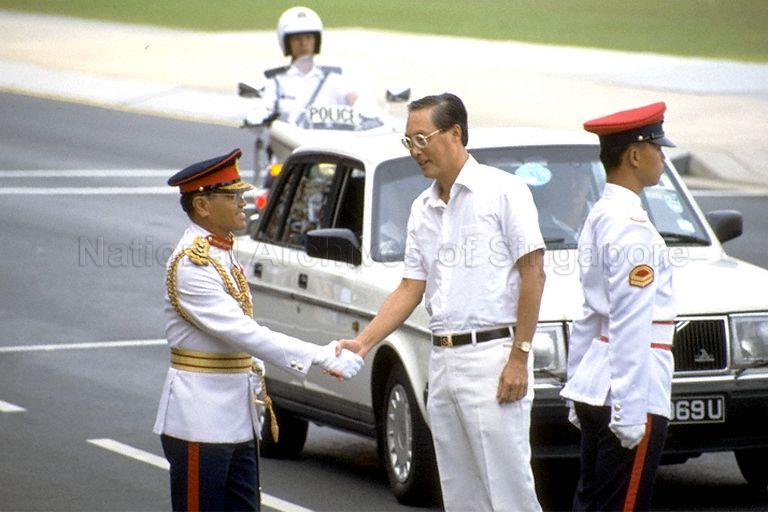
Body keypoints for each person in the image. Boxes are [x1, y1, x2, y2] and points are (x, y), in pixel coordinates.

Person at [337, 93, 546, 511]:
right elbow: (410, 288)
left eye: (421, 139)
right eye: (408, 142)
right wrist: (364, 342)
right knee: (459, 493)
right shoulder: (423, 208)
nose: (415, 152)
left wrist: (519, 357)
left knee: (509, 491)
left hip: (493, 359)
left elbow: (533, 274)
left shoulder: (504, 192)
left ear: (455, 134)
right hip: (443, 362)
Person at [154, 148, 363, 511]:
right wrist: (319, 355)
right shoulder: (192, 263)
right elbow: (244, 332)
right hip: (199, 421)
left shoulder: (220, 252)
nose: (243, 202)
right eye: (232, 195)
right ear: (203, 206)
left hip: (236, 416)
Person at [560, 102, 677, 511]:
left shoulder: (601, 216)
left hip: (598, 384)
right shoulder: (631, 227)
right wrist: (630, 412)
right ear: (633, 155)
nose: (663, 156)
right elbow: (630, 323)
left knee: (591, 502)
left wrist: (577, 386)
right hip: (631, 390)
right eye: (657, 147)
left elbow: (589, 315)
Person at [246, 6, 360, 128]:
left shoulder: (332, 78)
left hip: (328, 142)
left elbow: (356, 102)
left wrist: (360, 105)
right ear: (287, 43)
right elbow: (264, 108)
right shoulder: (276, 81)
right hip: (290, 144)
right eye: (297, 38)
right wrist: (256, 117)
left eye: (308, 37)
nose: (303, 43)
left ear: (316, 41)